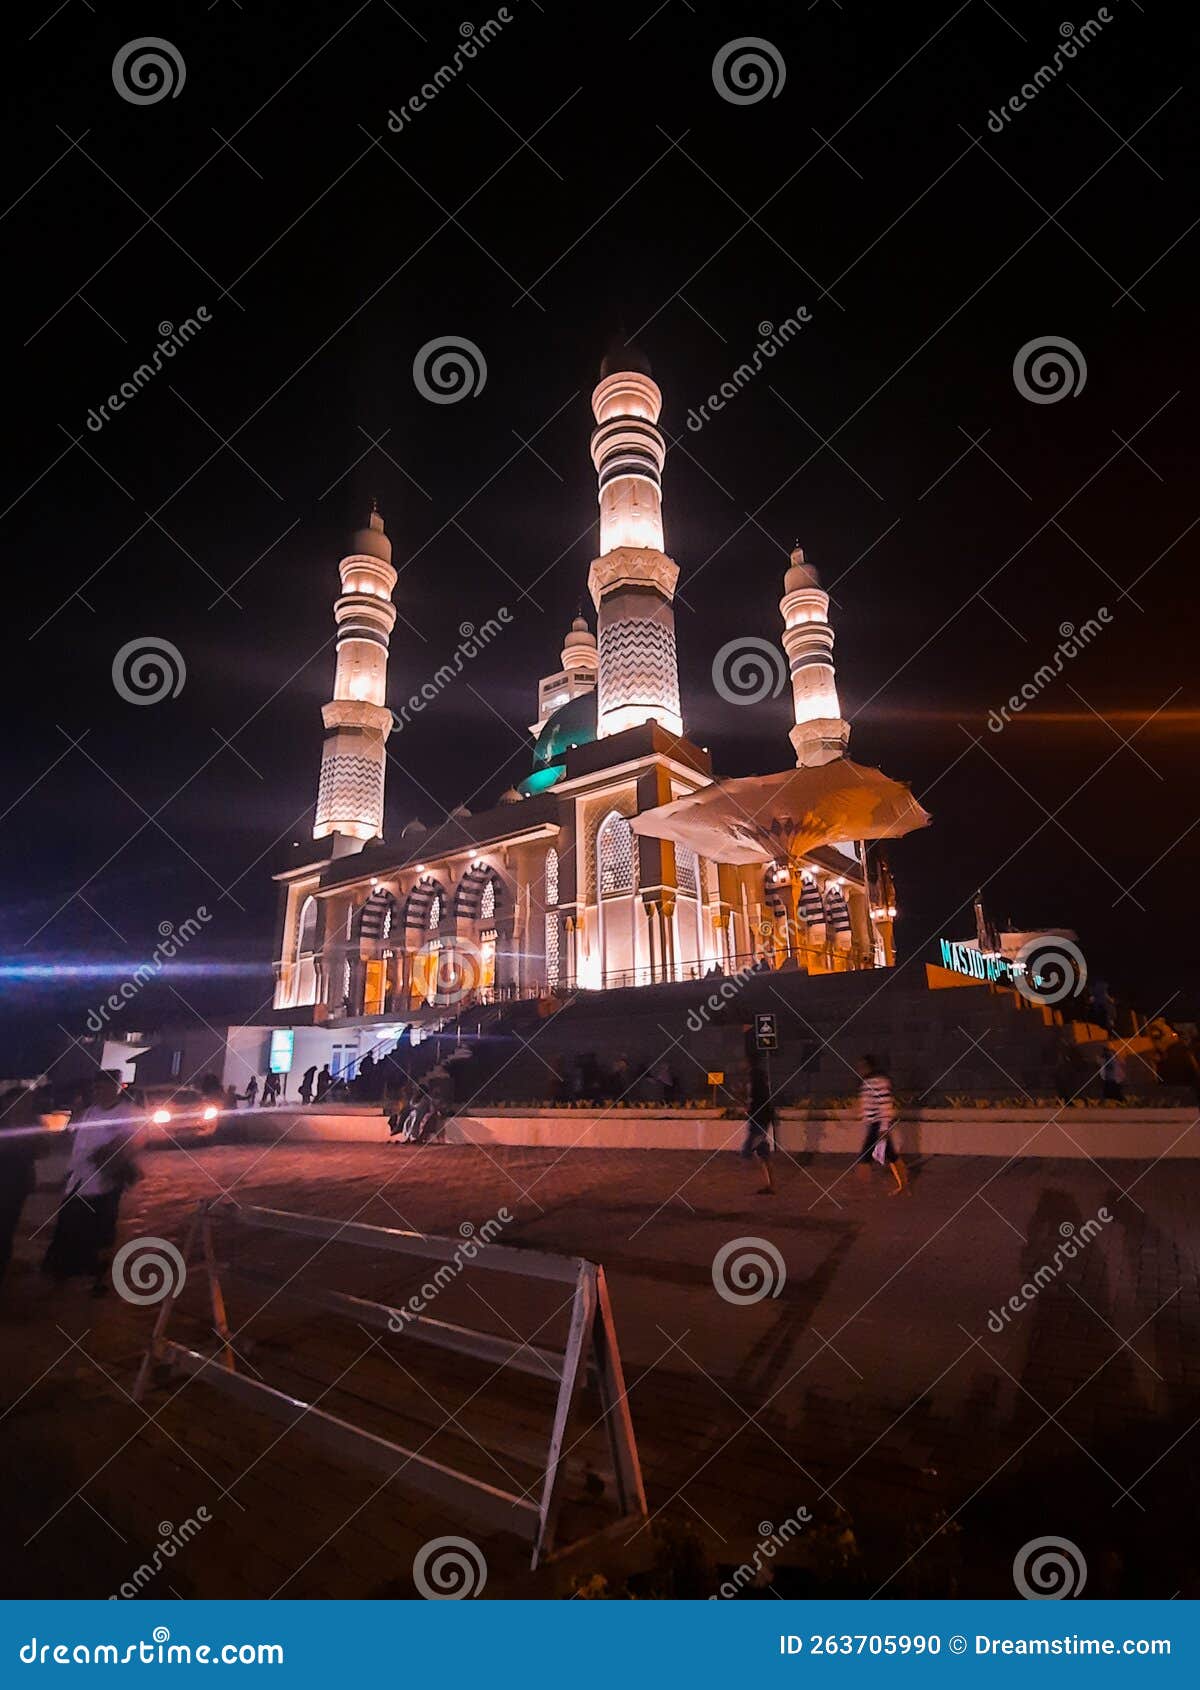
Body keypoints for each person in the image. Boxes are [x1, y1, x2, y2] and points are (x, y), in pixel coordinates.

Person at [42, 1072, 141, 1295]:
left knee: (102, 1233)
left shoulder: (126, 1113)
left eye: (103, 1087)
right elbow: (78, 1146)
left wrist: (111, 1156)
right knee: (68, 1228)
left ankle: (99, 1279)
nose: (98, 1092)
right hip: (78, 1183)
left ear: (116, 1088)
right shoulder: (89, 1113)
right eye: (95, 1088)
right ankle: (64, 1274)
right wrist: (68, 1173)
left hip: (105, 1185)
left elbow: (128, 1144)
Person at [0, 1088, 42, 1287]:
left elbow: (42, 1150)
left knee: (6, 1230)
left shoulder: (31, 1124)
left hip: (16, 1186)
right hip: (12, 1183)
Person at [855, 1054, 908, 1195]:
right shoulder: (868, 1082)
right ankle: (903, 1187)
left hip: (877, 1125)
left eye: (861, 1066)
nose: (859, 1069)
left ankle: (862, 1191)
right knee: (891, 1156)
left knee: (864, 1159)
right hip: (873, 1125)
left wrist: (883, 1128)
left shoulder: (878, 1082)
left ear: (868, 1066)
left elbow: (885, 1105)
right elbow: (867, 1105)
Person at [740, 1058, 776, 1195]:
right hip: (759, 1121)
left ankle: (766, 1183)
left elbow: (753, 1106)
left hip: (757, 1122)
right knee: (762, 1155)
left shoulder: (757, 1092)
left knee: (747, 1151)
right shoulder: (762, 1093)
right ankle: (770, 1184)